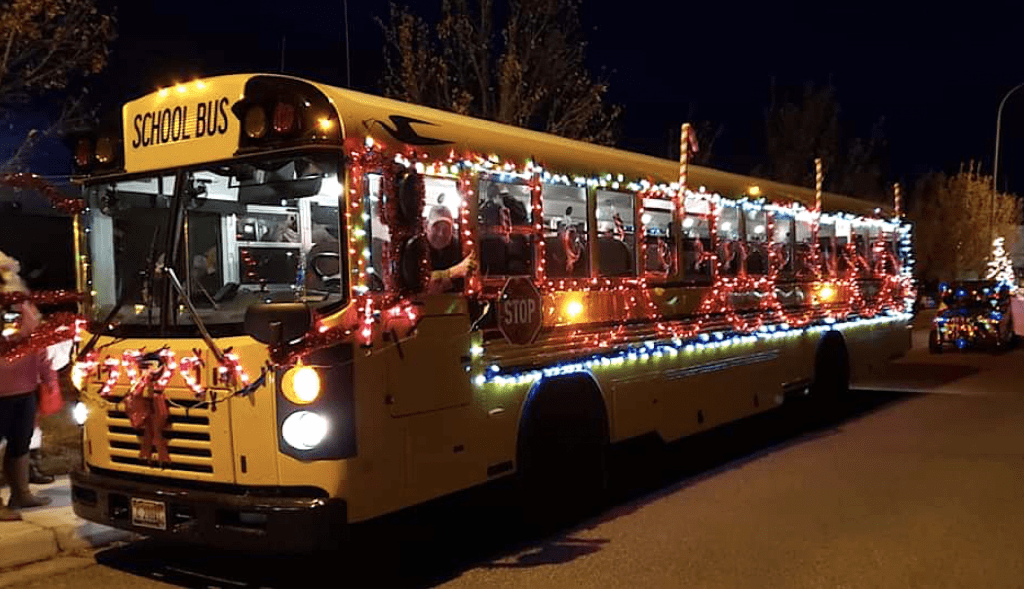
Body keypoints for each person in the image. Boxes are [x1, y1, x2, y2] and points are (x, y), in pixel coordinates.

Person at [0, 251, 56, 521]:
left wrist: (48, 377)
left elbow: (39, 343)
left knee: (20, 443)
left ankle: (21, 492)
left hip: (24, 387)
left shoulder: (25, 306)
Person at [425, 205, 474, 293]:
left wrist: (439, 281)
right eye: (436, 228)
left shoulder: (460, 249)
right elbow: (420, 284)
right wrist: (452, 273)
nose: (441, 233)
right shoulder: (416, 248)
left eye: (446, 229)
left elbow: (464, 283)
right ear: (426, 226)